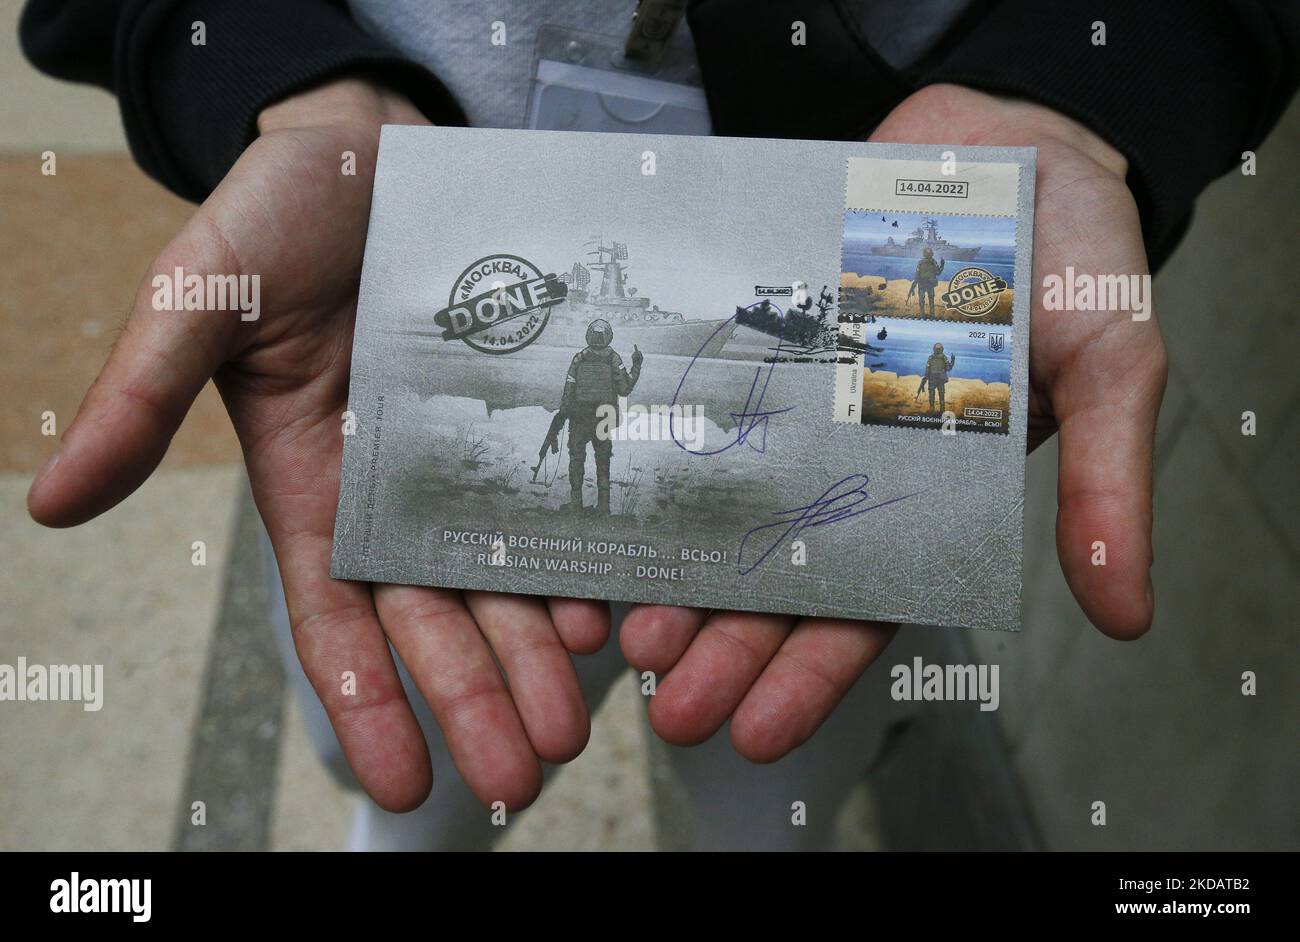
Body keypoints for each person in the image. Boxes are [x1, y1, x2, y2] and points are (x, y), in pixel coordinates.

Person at [19, 0, 1300, 849]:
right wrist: (273, 75)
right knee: (411, 764)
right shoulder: (563, 343)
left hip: (884, 321)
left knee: (777, 776)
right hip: (385, 293)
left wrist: (1091, 88)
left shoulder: (665, 341)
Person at [562, 320, 642, 514]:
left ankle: (575, 503)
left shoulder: (579, 358)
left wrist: (564, 413)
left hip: (579, 417)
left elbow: (569, 389)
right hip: (603, 417)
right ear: (609, 336)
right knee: (603, 459)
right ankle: (604, 505)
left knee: (576, 459)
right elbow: (624, 389)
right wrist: (636, 366)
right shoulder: (614, 358)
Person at [924, 342, 957, 412]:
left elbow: (927, 371)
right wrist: (953, 361)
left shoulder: (930, 358)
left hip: (932, 379)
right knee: (941, 396)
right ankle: (942, 410)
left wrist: (925, 379)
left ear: (934, 349)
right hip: (940, 379)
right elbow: (948, 369)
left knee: (931, 395)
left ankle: (932, 409)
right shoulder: (944, 358)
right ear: (942, 349)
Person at [913, 247, 945, 317]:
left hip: (922, 284)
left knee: (922, 300)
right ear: (932, 254)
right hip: (929, 284)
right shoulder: (934, 262)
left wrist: (915, 283)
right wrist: (942, 265)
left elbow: (917, 274)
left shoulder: (920, 262)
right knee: (931, 300)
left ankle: (922, 314)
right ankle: (932, 315)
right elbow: (938, 272)